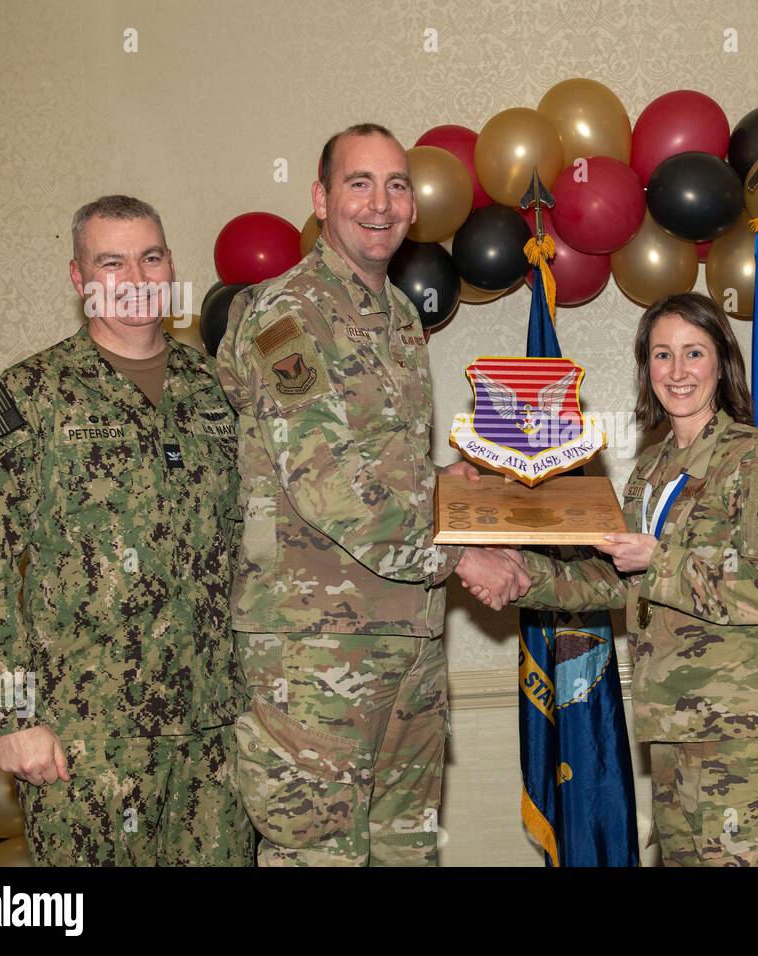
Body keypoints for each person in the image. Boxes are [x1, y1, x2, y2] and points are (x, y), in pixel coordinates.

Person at [215, 123, 529, 867]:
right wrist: (459, 557)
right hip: (313, 656)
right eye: (360, 183)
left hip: (405, 642)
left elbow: (380, 468)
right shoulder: (286, 314)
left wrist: (449, 488)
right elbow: (329, 486)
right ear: (321, 199)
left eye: (396, 185)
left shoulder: (397, 319)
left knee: (404, 854)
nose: (380, 204)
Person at [0, 195, 253, 865]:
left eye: (151, 257)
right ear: (79, 279)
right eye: (112, 263)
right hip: (86, 744)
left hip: (214, 737)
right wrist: (15, 720)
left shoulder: (219, 389)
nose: (137, 281)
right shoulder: (25, 399)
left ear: (172, 266)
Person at [481, 292, 758, 866]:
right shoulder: (650, 469)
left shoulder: (753, 457)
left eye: (694, 353)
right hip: (670, 739)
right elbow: (619, 582)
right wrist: (521, 574)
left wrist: (658, 557)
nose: (678, 371)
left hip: (745, 747)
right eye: (662, 355)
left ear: (722, 362)